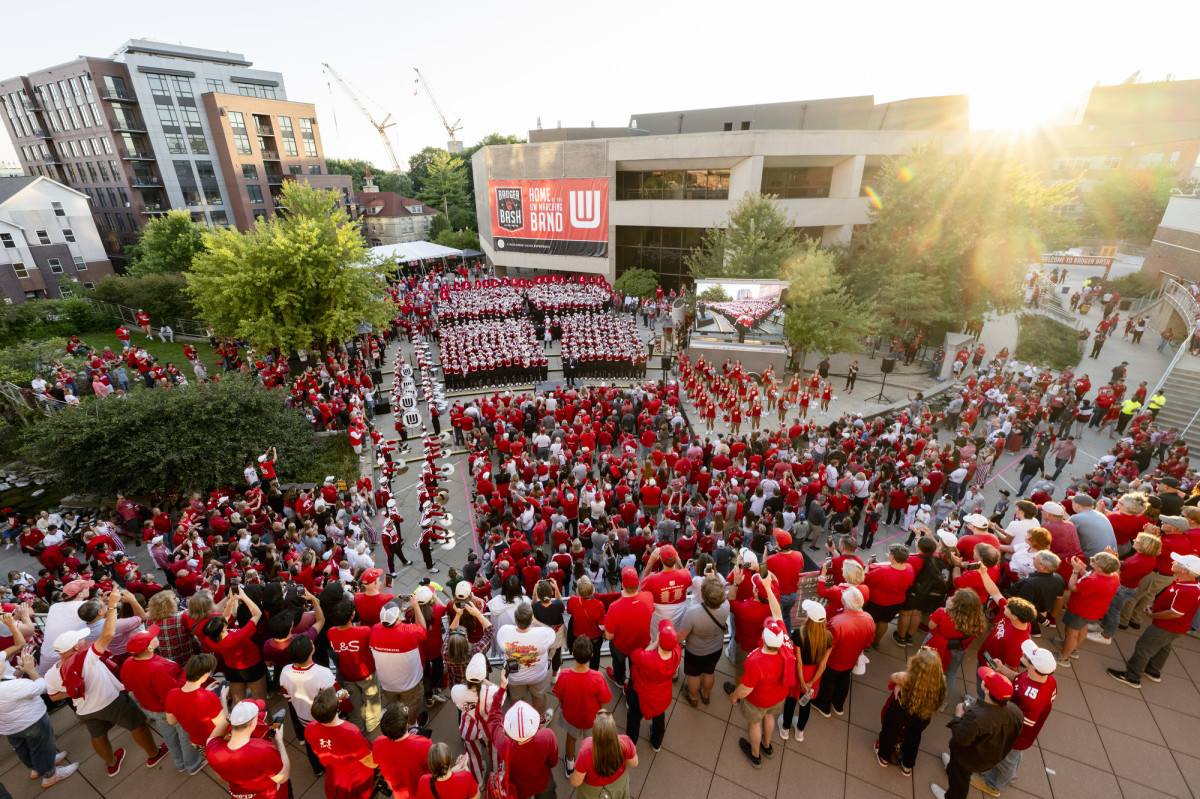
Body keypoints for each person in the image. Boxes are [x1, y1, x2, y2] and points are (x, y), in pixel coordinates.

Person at [44, 590, 168, 777]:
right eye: (81, 640)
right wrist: (111, 605)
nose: (85, 640)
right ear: (76, 647)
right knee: (137, 725)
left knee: (98, 736)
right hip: (110, 700)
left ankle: (111, 763)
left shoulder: (51, 673)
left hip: (85, 709)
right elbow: (108, 633)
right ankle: (154, 754)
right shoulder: (87, 656)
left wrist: (78, 690)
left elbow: (54, 696)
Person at [973, 641, 1057, 796]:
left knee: (1008, 759)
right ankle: (1009, 776)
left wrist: (992, 707)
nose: (1022, 655)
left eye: (1025, 656)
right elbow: (1020, 679)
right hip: (1019, 734)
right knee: (1014, 757)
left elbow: (1018, 721)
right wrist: (1002, 670)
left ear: (1032, 667)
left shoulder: (1033, 701)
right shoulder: (1046, 678)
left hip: (1015, 736)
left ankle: (993, 785)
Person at [119, 625, 206, 775]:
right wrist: (185, 674)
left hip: (151, 708)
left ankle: (179, 763)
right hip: (169, 709)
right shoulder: (157, 669)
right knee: (185, 736)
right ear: (149, 649)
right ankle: (192, 764)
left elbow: (128, 686)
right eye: (152, 638)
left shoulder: (127, 663)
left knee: (169, 736)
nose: (156, 636)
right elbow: (173, 694)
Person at [1108, 551, 1200, 688]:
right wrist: (1155, 606)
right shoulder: (1186, 583)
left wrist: (1153, 615)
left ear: (1185, 570)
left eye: (1177, 562)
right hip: (1174, 628)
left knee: (1143, 648)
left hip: (1166, 627)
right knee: (1164, 647)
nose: (1173, 562)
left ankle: (1132, 677)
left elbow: (1175, 613)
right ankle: (1153, 671)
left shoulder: (1187, 591)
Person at [0, 632, 79, 787]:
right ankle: (50, 774)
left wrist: (21, 669)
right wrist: (30, 670)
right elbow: (42, 687)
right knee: (43, 745)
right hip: (31, 722)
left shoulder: (7, 682)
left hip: (9, 728)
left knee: (24, 749)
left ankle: (37, 767)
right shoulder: (13, 686)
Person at [931, 667, 1024, 799]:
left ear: (986, 689)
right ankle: (951, 769)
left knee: (960, 782)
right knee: (957, 771)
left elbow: (960, 738)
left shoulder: (977, 717)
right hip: (989, 756)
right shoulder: (1015, 711)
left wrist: (958, 716)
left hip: (967, 758)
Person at [483, 673, 559, 799]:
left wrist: (502, 688)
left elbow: (493, 720)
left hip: (520, 789)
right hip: (543, 783)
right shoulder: (547, 736)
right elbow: (553, 761)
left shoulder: (505, 746)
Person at [875, 647, 946, 775]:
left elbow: (893, 676)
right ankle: (907, 765)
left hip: (901, 710)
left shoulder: (907, 678)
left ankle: (884, 756)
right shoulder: (941, 682)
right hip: (923, 715)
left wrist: (899, 684)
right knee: (914, 737)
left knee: (890, 732)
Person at [206, 700, 291, 799]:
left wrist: (230, 719)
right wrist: (279, 741)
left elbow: (213, 737)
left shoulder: (212, 750)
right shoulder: (264, 750)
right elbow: (283, 777)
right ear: (251, 723)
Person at [812, 586, 875, 718]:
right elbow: (869, 642)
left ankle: (824, 706)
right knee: (844, 680)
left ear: (845, 603)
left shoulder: (837, 622)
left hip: (834, 660)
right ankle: (838, 705)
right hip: (852, 659)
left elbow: (826, 645)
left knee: (828, 682)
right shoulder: (869, 618)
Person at [553, 636, 611, 774]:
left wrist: (564, 709)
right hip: (591, 718)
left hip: (571, 716)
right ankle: (588, 763)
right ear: (591, 655)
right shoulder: (598, 677)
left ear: (572, 654)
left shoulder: (564, 675)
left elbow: (560, 698)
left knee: (570, 740)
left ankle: (570, 766)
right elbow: (604, 700)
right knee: (590, 742)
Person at [305, 687, 376, 799]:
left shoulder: (310, 727)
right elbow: (371, 762)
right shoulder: (350, 732)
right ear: (337, 708)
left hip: (334, 777)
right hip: (355, 780)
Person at [280, 636, 336, 774]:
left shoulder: (285, 671)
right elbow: (336, 697)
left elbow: (287, 697)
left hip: (303, 717)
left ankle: (317, 769)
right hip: (325, 717)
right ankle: (333, 764)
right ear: (312, 651)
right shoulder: (323, 673)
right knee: (330, 741)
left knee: (311, 743)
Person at [203, 584, 268, 702]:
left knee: (238, 701)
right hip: (252, 666)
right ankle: (266, 720)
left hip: (232, 669)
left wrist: (231, 601)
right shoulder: (238, 637)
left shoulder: (210, 638)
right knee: (260, 700)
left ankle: (239, 720)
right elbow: (257, 614)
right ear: (223, 628)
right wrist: (244, 597)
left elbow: (224, 618)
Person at [778, 600, 831, 742]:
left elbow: (799, 662)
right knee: (805, 703)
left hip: (799, 674)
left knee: (790, 701)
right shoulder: (828, 637)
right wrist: (810, 683)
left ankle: (785, 728)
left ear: (809, 618)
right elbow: (823, 665)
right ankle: (800, 731)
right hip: (814, 675)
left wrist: (801, 682)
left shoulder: (799, 633)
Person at [371, 598, 428, 730]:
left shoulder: (375, 630)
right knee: (411, 707)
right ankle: (412, 726)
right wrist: (416, 607)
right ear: (398, 617)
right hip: (410, 684)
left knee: (397, 705)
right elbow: (423, 631)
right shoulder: (410, 631)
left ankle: (400, 722)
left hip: (387, 684)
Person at [1055, 552, 1120, 666]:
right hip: (1093, 611)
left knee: (1071, 633)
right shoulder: (1113, 575)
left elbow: (1072, 587)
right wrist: (1081, 570)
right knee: (1082, 628)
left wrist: (1075, 571)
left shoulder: (1094, 581)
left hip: (1080, 609)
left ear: (1099, 568)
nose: (1091, 558)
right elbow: (1088, 578)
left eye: (1094, 560)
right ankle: (1073, 650)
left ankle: (1063, 657)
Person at [626, 619, 681, 752]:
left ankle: (630, 746)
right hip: (662, 696)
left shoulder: (647, 659)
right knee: (659, 719)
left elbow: (634, 656)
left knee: (633, 720)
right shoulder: (677, 653)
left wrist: (655, 643)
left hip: (642, 695)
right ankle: (656, 744)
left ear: (659, 640)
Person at [497, 601, 557, 721]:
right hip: (538, 675)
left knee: (516, 699)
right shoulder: (543, 634)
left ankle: (518, 721)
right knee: (538, 696)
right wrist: (535, 622)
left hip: (514, 676)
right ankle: (538, 721)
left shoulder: (504, 631)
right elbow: (551, 631)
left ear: (515, 617)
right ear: (531, 618)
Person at [678, 575, 729, 707]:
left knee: (694, 675)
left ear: (704, 595)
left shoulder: (692, 613)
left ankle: (693, 697)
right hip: (716, 648)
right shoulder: (726, 606)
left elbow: (681, 636)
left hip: (695, 651)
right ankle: (705, 696)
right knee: (709, 672)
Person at [568, 710, 638, 799]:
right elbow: (634, 763)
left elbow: (576, 782)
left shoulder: (586, 751)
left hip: (592, 790)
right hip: (618, 783)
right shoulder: (625, 742)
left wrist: (572, 776)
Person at [604, 567, 653, 688]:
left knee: (618, 663)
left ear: (623, 585)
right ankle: (633, 681)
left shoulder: (614, 607)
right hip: (641, 645)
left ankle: (619, 680)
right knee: (635, 668)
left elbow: (609, 635)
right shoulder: (648, 597)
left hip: (621, 646)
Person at [374, 703, 432, 799]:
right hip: (423, 792)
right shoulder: (424, 745)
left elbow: (376, 761)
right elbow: (434, 770)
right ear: (406, 724)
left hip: (400, 794)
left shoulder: (378, 742)